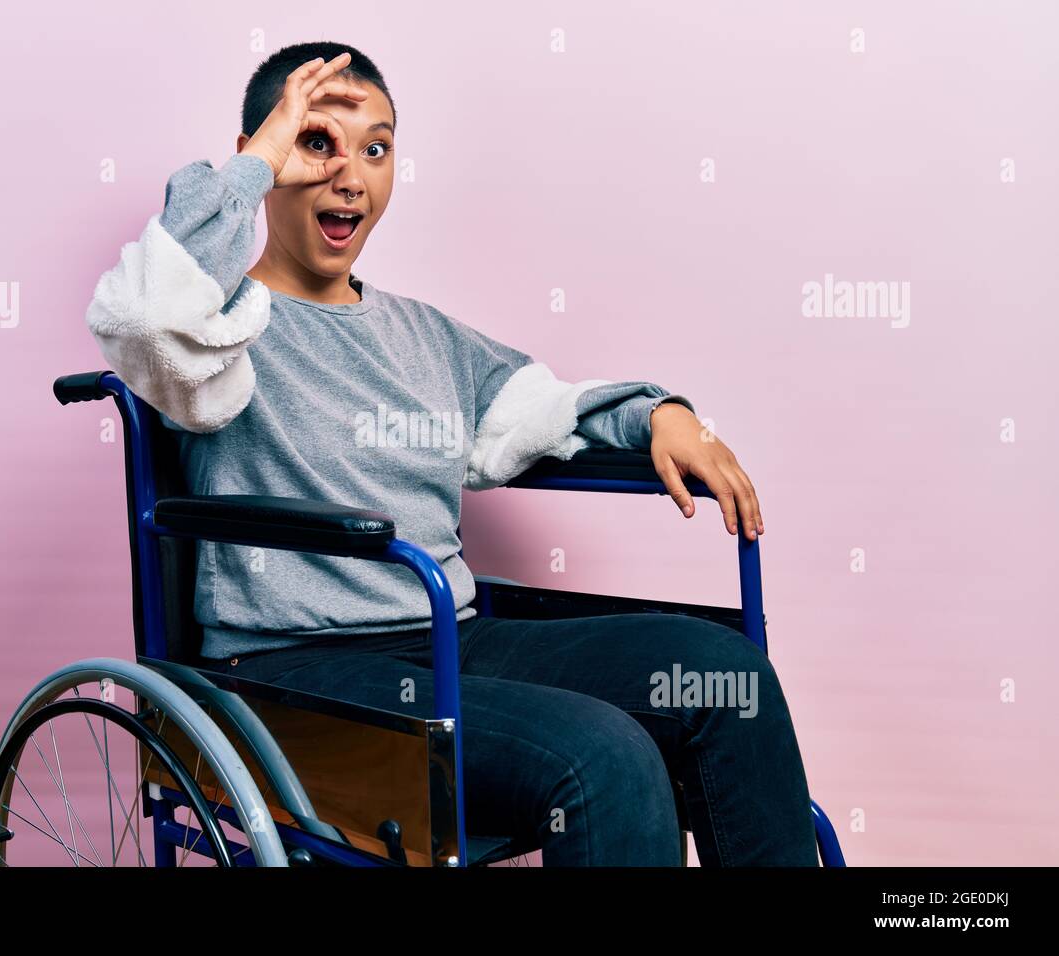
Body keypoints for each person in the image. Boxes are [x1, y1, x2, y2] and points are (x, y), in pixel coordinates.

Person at [85, 41, 817, 866]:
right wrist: (255, 163)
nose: (350, 176)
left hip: (452, 639)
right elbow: (143, 319)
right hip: (296, 672)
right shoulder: (219, 331)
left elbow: (542, 408)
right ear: (268, 151)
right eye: (316, 143)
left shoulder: (424, 335)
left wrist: (660, 415)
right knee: (603, 757)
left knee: (729, 683)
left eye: (377, 148)